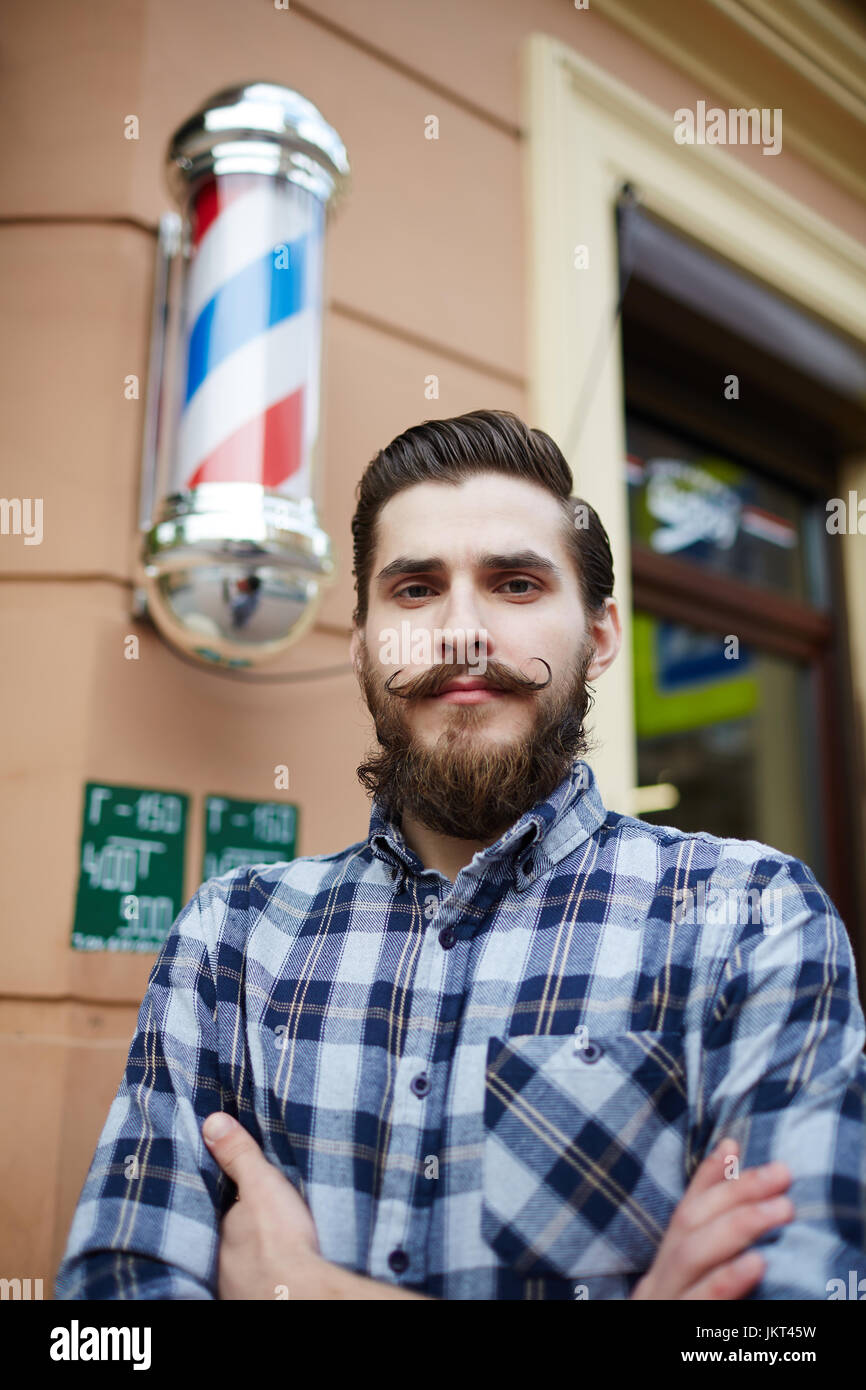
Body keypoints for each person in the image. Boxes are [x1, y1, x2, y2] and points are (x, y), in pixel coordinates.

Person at [55, 409, 866, 1300]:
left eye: (516, 585)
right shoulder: (233, 938)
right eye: (415, 591)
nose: (463, 634)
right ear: (361, 645)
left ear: (599, 637)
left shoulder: (750, 917)